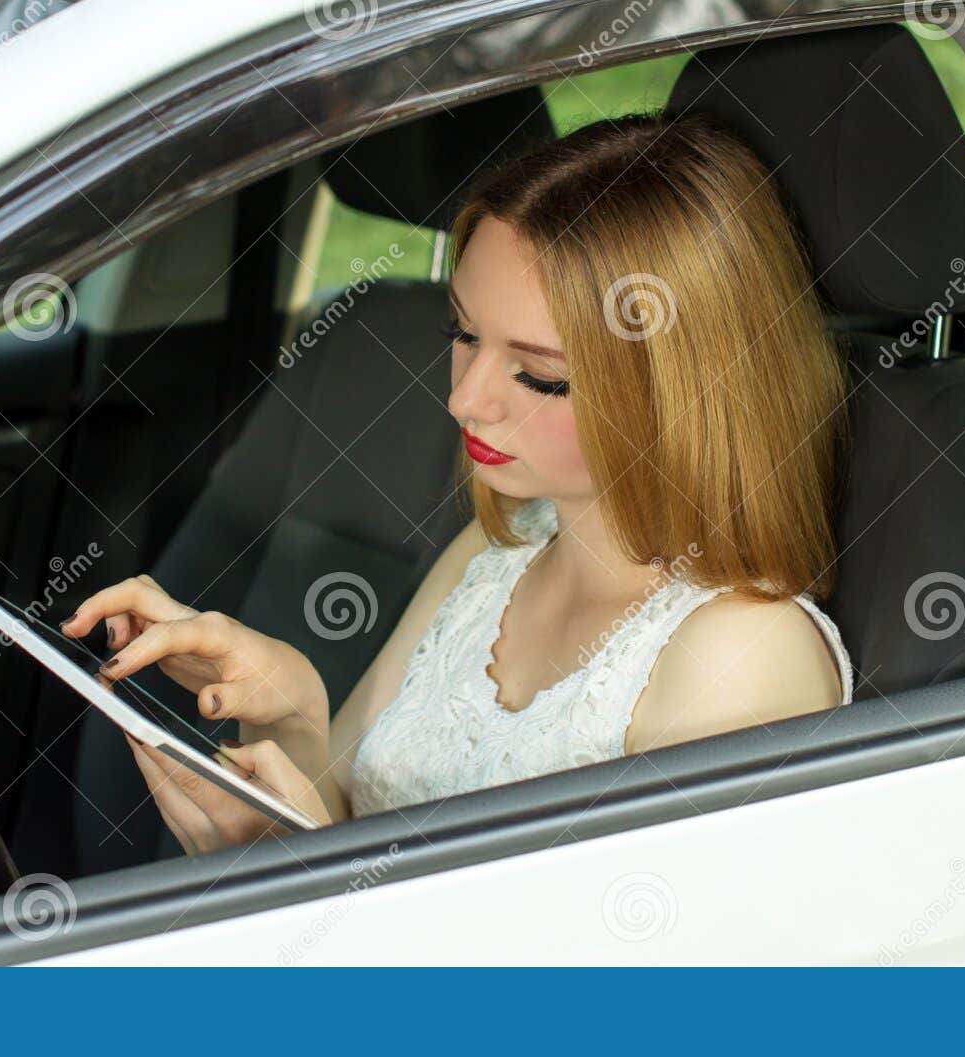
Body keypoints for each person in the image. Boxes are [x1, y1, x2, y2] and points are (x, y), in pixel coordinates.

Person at [60, 110, 853, 853]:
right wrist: (294, 713)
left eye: (540, 376)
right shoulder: (498, 550)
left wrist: (314, 885)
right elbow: (343, 826)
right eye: (463, 334)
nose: (463, 398)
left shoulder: (742, 658)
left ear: (683, 391)